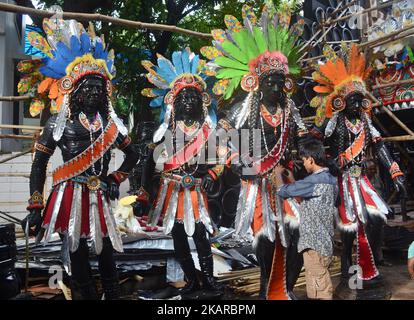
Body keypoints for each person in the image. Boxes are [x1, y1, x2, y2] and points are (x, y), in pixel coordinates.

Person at [20, 19, 139, 299]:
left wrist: (115, 178)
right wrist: (36, 205)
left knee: (107, 250)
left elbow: (134, 155)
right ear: (75, 90)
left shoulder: (111, 127)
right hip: (68, 196)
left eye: (100, 88)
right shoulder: (56, 125)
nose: (95, 92)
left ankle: (112, 294)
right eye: (89, 87)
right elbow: (39, 164)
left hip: (101, 197)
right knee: (76, 254)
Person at [202, 3, 307, 300]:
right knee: (265, 240)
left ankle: (284, 288)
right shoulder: (242, 109)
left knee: (296, 234)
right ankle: (267, 289)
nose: (276, 87)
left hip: (285, 183)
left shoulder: (290, 109)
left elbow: (301, 140)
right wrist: (234, 162)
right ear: (257, 84)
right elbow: (216, 140)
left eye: (279, 82)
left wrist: (305, 160)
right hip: (255, 187)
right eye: (270, 82)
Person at [309, 43, 407, 284]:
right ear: (342, 100)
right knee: (349, 226)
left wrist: (396, 173)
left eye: (359, 99)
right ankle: (347, 268)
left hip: (362, 179)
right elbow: (313, 143)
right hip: (341, 180)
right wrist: (329, 163)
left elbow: (380, 145)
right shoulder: (334, 122)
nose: (356, 103)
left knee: (376, 218)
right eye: (352, 99)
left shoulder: (365, 121)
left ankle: (368, 266)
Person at [136, 48, 223, 296]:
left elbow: (221, 160)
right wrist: (143, 193)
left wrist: (211, 176)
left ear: (202, 102)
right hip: (170, 191)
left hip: (195, 191)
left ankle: (209, 279)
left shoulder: (209, 132)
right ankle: (191, 280)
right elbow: (148, 163)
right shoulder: (163, 132)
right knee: (178, 237)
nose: (189, 101)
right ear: (173, 103)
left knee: (200, 235)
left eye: (194, 98)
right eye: (183, 98)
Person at [274, 139, 338, 300]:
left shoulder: (314, 181)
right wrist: (294, 179)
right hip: (325, 241)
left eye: (303, 160)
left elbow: (282, 191)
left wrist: (277, 175)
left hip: (314, 244)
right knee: (318, 284)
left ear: (311, 159)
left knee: (320, 290)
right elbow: (310, 198)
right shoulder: (331, 180)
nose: (303, 164)